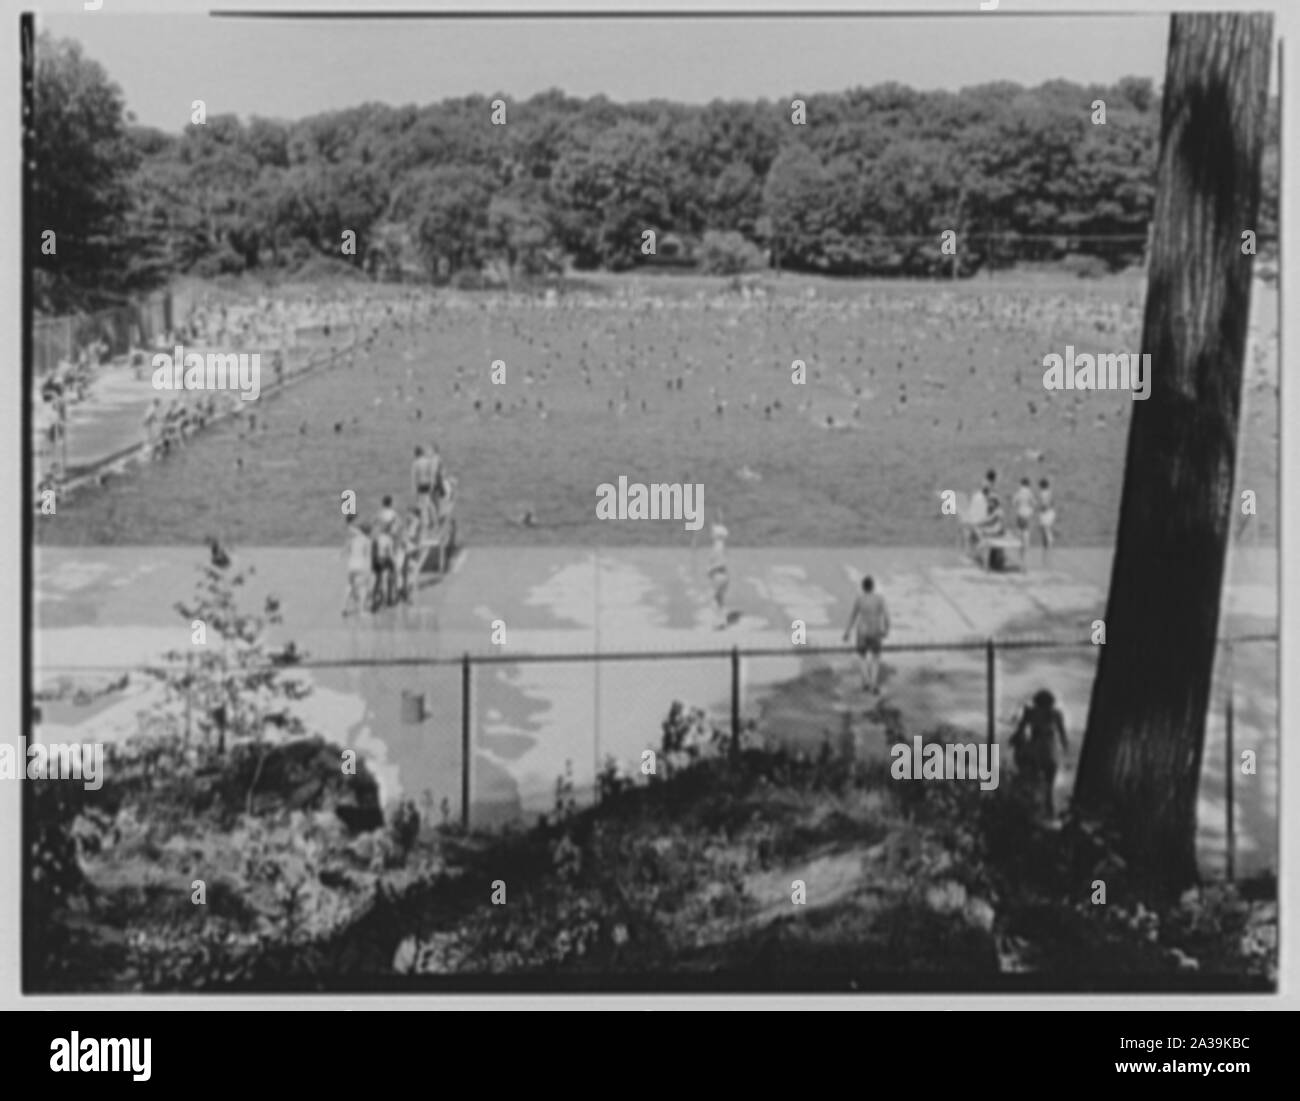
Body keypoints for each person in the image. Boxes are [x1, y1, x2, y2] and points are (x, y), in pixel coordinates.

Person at [1010, 689, 1069, 816]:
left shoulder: (1031, 713)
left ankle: (1034, 807)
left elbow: (1020, 730)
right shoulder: (1056, 714)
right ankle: (1049, 808)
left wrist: (1015, 740)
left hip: (1035, 750)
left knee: (1034, 779)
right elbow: (1063, 735)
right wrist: (1066, 751)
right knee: (1049, 785)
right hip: (1050, 750)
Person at [843, 575, 890, 693]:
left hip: (862, 631)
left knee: (862, 657)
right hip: (875, 630)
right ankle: (873, 683)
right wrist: (886, 630)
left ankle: (866, 681)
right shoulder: (880, 599)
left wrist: (847, 632)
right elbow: (887, 617)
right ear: (873, 587)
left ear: (863, 587)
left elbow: (853, 616)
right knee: (876, 657)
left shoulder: (859, 599)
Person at [342, 517, 372, 617]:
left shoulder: (354, 539)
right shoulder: (367, 541)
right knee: (363, 587)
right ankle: (361, 611)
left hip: (351, 565)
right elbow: (368, 556)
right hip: (361, 565)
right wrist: (369, 570)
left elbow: (347, 550)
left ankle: (344, 608)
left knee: (349, 585)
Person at [707, 517, 729, 629]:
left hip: (718, 575)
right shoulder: (721, 545)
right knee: (720, 599)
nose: (711, 534)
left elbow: (720, 563)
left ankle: (718, 621)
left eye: (712, 532)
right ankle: (722, 620)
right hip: (723, 575)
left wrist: (710, 569)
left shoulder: (717, 546)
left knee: (712, 598)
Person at [1012, 477, 1037, 566]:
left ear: (1021, 483)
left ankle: (1019, 556)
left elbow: (1014, 502)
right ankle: (1025, 557)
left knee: (1019, 534)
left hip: (1020, 514)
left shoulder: (1019, 492)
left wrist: (1018, 506)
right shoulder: (1029, 492)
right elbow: (1034, 503)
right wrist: (1031, 510)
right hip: (1027, 514)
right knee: (1026, 534)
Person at [411, 446, 437, 527]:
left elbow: (414, 477)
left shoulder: (416, 462)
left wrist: (414, 489)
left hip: (421, 485)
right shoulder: (428, 461)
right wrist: (432, 485)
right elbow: (432, 473)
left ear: (416, 454)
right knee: (429, 503)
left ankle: (426, 523)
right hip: (428, 484)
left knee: (423, 505)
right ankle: (435, 520)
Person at [1037, 477, 1057, 563]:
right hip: (1050, 513)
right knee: (1046, 533)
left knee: (1046, 533)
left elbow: (1044, 505)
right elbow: (1052, 503)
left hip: (1046, 515)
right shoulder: (1049, 492)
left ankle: (1047, 556)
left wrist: (1039, 508)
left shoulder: (1043, 493)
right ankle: (1047, 554)